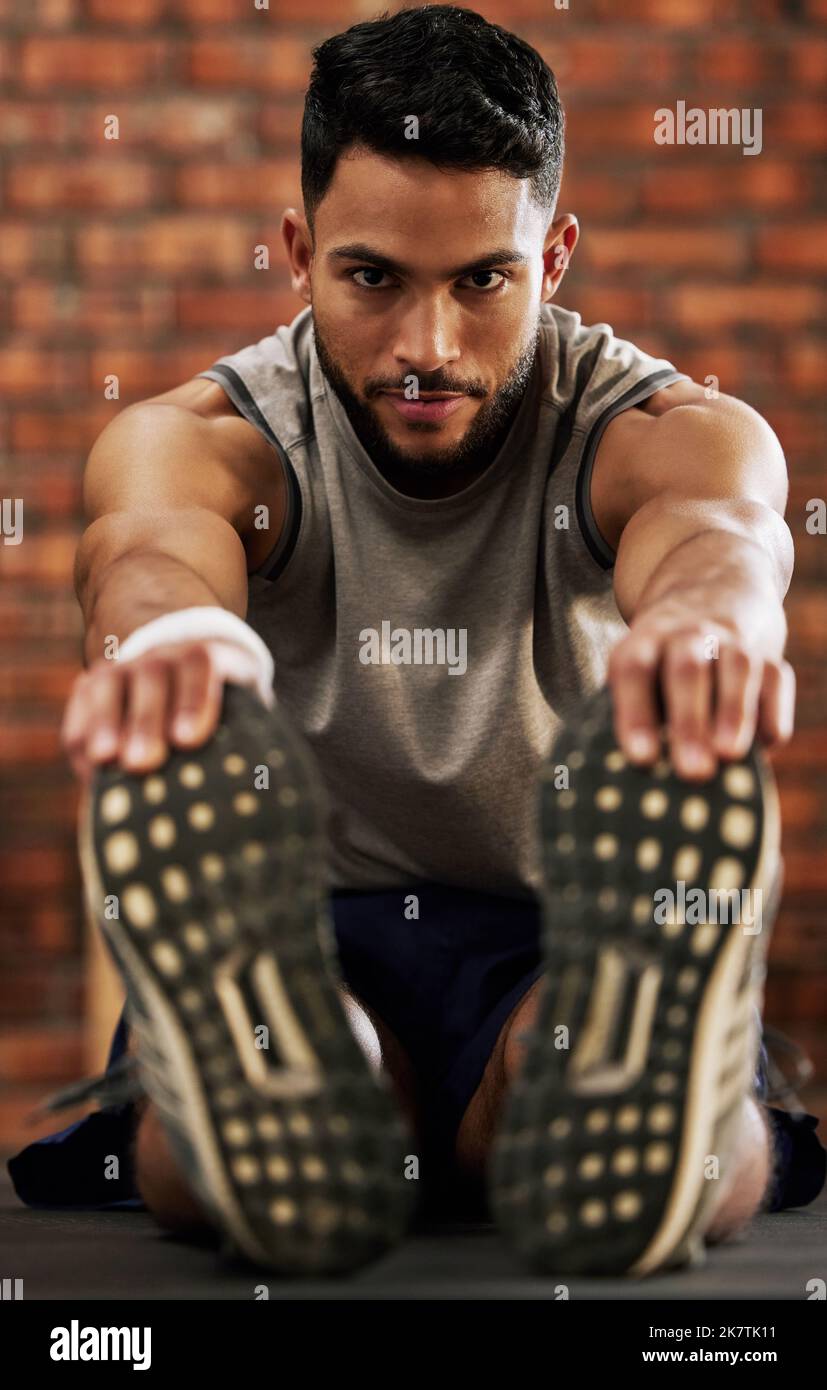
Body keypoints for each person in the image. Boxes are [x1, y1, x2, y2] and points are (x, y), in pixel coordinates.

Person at [9, 5, 825, 1277]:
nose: (426, 349)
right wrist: (171, 641)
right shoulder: (208, 435)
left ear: (552, 258)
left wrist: (707, 625)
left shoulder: (659, 426)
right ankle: (256, 1084)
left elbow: (717, 529)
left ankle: (652, 1074)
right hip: (305, 931)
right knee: (281, 1076)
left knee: (583, 1066)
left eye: (481, 282)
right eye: (373, 278)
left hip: (560, 931)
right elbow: (151, 546)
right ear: (297, 249)